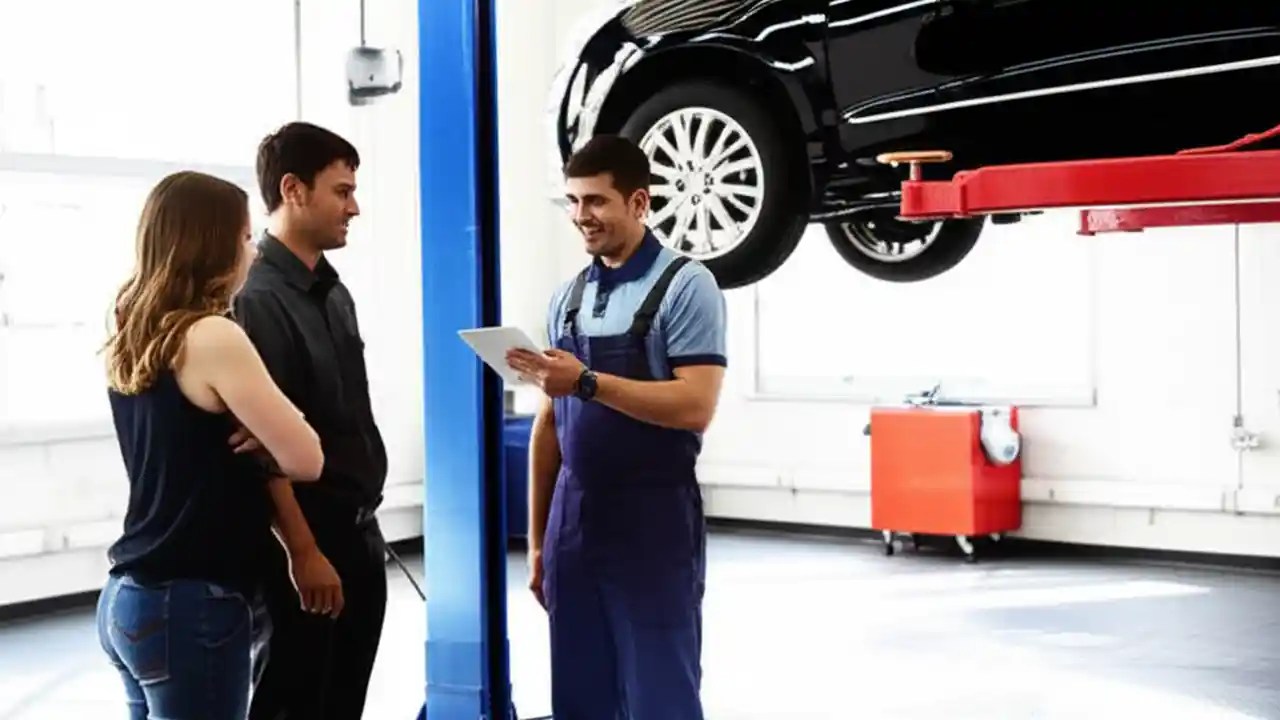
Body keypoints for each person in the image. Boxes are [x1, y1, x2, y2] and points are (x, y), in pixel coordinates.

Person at [507, 134, 728, 720]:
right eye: (574, 202)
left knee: (661, 692)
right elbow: (549, 426)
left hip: (652, 521)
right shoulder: (567, 299)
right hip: (572, 523)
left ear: (639, 202)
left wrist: (586, 382)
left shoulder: (686, 286)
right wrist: (537, 545)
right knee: (580, 693)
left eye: (597, 202)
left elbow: (695, 406)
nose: (583, 217)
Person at [96, 170, 326, 720]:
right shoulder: (212, 335)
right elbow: (307, 459)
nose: (252, 251)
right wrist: (276, 424)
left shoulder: (131, 328)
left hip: (127, 597)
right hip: (190, 603)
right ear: (215, 245)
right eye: (246, 238)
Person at [234, 121, 390, 720]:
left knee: (342, 703)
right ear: (294, 190)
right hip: (304, 547)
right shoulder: (256, 297)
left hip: (358, 537)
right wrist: (303, 551)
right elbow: (259, 446)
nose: (354, 207)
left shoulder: (334, 290)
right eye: (342, 192)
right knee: (293, 703)